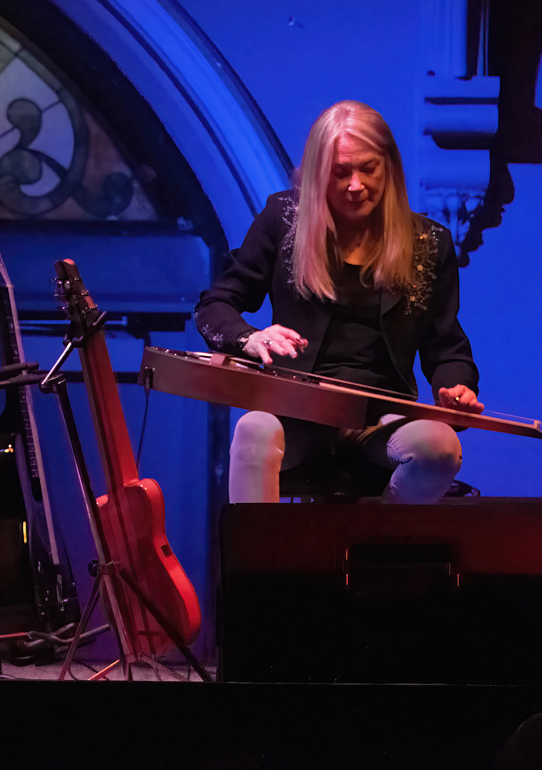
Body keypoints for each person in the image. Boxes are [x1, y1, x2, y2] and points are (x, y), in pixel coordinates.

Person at [194, 100, 480, 504]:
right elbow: (215, 307)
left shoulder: (428, 243)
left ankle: (377, 553)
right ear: (316, 175)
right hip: (294, 410)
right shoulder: (284, 219)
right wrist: (250, 339)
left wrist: (456, 388)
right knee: (252, 430)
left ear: (390, 167)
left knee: (440, 447)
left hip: (381, 417)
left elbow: (446, 346)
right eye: (340, 172)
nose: (355, 185)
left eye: (368, 169)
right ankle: (257, 562)